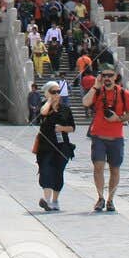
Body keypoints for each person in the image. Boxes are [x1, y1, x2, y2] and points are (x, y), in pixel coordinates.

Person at [82, 66, 129, 212]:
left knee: (115, 169)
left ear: (115, 76)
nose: (107, 78)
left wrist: (118, 118)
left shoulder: (123, 94)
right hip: (98, 136)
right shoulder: (97, 91)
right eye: (104, 75)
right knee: (98, 167)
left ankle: (110, 200)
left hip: (116, 137)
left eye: (110, 75)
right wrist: (95, 86)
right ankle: (100, 198)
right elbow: (85, 102)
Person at [34, 80, 75, 212]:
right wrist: (49, 101)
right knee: (45, 170)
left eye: (58, 91)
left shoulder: (65, 109)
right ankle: (47, 200)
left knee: (58, 172)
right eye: (53, 91)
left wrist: (62, 128)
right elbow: (43, 113)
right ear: (47, 93)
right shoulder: (43, 106)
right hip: (45, 146)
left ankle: (55, 201)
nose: (57, 94)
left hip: (62, 146)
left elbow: (72, 128)